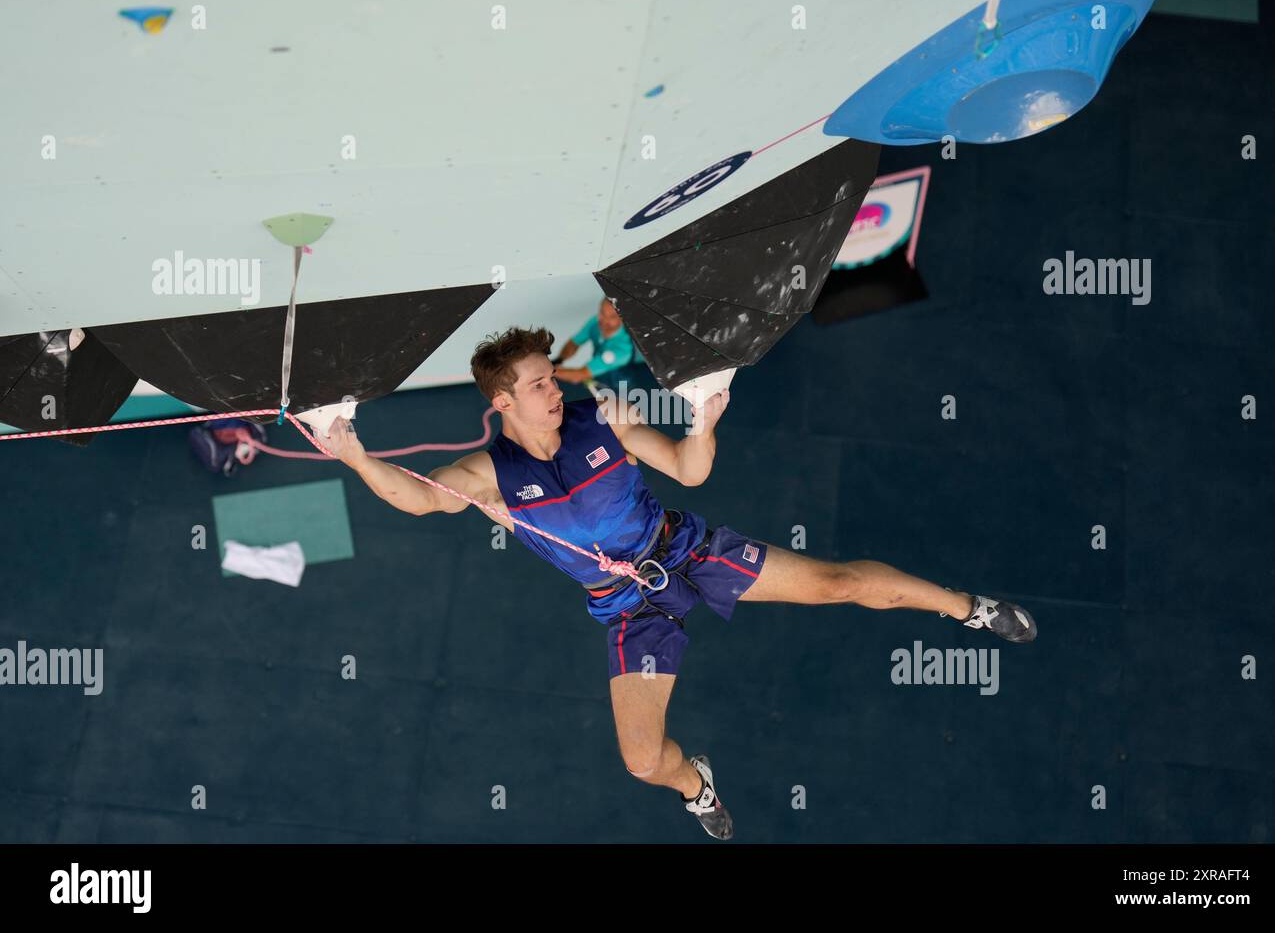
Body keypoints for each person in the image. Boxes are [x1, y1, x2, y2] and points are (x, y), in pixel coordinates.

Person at [321, 326, 1037, 841]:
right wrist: (352, 452)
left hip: (686, 550)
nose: (552, 387)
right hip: (627, 609)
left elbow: (692, 470)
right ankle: (697, 784)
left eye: (549, 375)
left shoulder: (602, 420)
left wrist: (703, 423)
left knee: (838, 583)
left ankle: (968, 609)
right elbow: (416, 497)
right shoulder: (489, 480)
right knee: (640, 761)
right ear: (502, 401)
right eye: (538, 383)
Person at [551, 296, 643, 387]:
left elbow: (579, 375)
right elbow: (574, 343)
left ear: (622, 318)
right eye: (602, 312)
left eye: (612, 316)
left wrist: (549, 370)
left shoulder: (622, 349)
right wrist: (559, 360)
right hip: (600, 374)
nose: (604, 320)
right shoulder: (596, 322)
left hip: (623, 385)